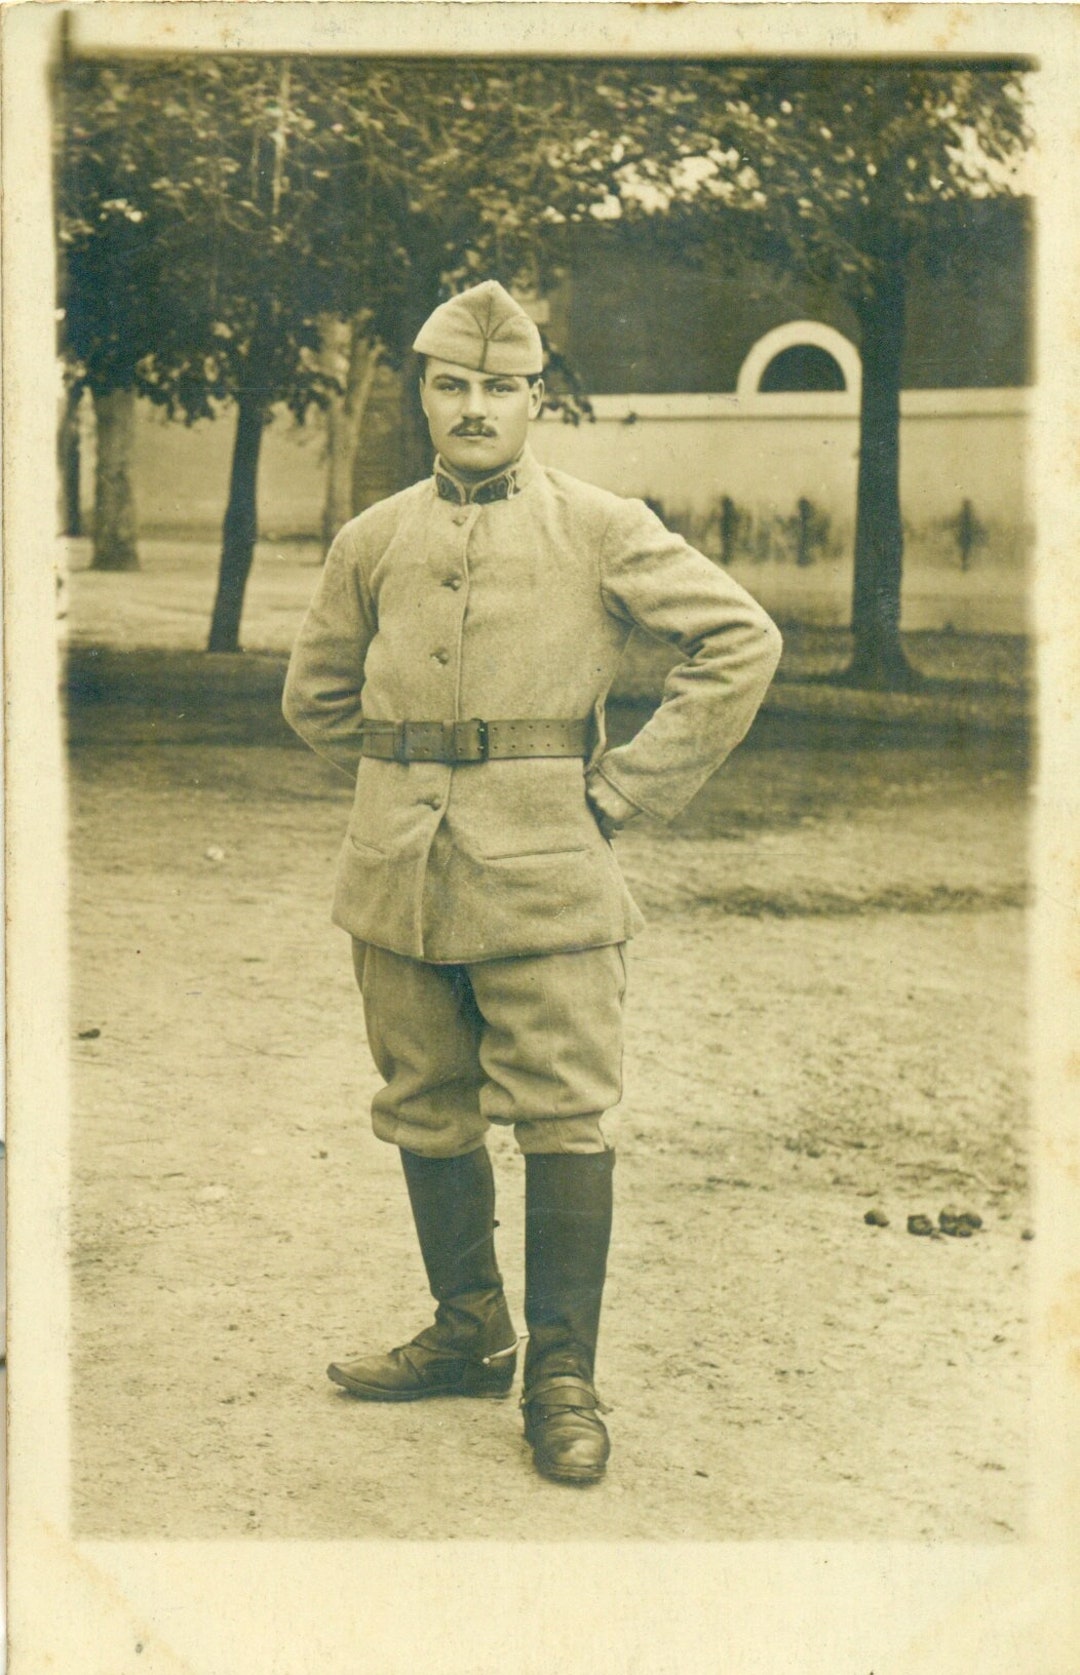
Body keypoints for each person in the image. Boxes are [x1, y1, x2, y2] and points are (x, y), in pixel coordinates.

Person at [282, 280, 782, 1486]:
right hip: (397, 877)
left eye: (500, 388)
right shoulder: (375, 536)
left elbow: (740, 639)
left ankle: (563, 1370)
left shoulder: (603, 526)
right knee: (422, 1098)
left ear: (535, 398)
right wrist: (412, 779)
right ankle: (470, 1330)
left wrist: (619, 792)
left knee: (561, 1111)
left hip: (552, 874)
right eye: (451, 384)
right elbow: (316, 699)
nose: (473, 407)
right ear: (423, 393)